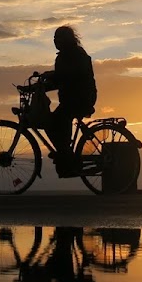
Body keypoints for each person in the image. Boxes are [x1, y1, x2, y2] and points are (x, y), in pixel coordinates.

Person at [41, 26, 97, 177]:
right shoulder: (65, 56)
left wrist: (51, 76)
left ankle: (65, 154)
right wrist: (39, 87)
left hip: (80, 98)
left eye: (58, 38)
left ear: (66, 40)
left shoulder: (76, 55)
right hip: (72, 99)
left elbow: (66, 76)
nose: (55, 41)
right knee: (56, 120)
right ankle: (64, 153)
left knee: (58, 119)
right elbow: (61, 79)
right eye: (54, 39)